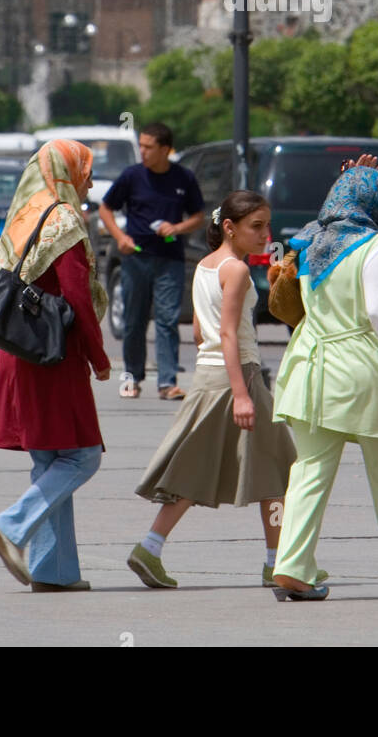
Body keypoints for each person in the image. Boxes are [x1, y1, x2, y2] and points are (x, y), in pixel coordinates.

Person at [126, 190, 296, 588]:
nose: (265, 234)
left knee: (195, 467)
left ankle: (149, 548)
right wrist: (241, 392)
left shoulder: (205, 265)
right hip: (239, 377)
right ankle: (279, 563)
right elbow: (227, 334)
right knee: (278, 469)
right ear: (229, 228)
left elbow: (201, 332)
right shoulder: (235, 270)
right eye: (256, 226)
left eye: (267, 225)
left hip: (209, 376)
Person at [270, 165, 378, 601]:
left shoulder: (310, 238)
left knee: (308, 473)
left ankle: (292, 565)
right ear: (373, 205)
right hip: (360, 372)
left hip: (308, 367)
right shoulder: (375, 247)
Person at [0, 140, 111, 592]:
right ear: (66, 171)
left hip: (18, 350)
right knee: (82, 456)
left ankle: (52, 572)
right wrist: (99, 357)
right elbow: (77, 295)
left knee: (49, 460)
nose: (91, 181)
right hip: (53, 356)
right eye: (85, 170)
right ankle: (11, 527)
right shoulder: (63, 220)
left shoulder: (21, 213)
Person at [98, 122, 204, 401]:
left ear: (165, 150)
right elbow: (105, 207)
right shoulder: (132, 176)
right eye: (141, 145)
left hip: (170, 259)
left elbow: (198, 216)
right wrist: (119, 237)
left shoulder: (184, 178)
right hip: (135, 258)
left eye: (148, 147)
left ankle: (168, 382)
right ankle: (132, 379)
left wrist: (177, 228)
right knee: (134, 320)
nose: (142, 151)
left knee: (167, 320)